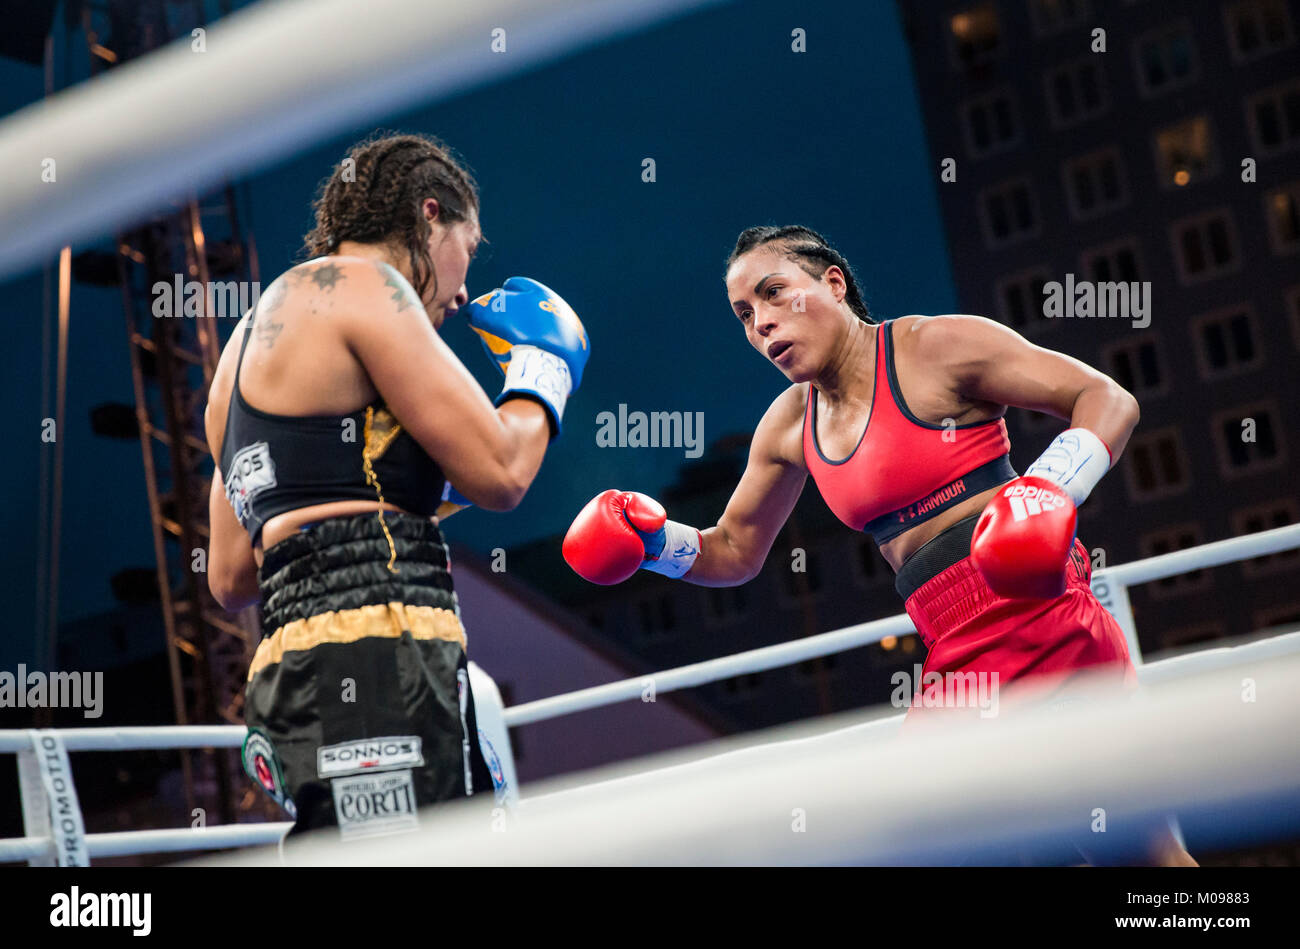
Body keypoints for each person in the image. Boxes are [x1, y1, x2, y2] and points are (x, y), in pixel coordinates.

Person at [561, 224, 1193, 866]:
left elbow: (1106, 398)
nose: (762, 325)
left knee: (1146, 862)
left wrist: (1049, 488)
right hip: (952, 650)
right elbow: (733, 550)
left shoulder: (935, 346)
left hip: (1043, 617)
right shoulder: (789, 422)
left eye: (775, 293)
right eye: (745, 315)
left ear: (833, 284)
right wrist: (649, 541)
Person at [204, 132, 588, 843]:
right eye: (466, 248)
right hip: (382, 653)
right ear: (430, 215)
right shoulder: (368, 286)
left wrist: (439, 483)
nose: (465, 287)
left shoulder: (241, 348)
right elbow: (505, 471)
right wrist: (544, 369)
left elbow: (231, 574)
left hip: (293, 670)